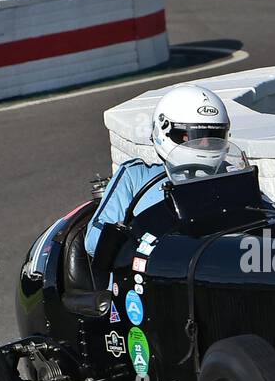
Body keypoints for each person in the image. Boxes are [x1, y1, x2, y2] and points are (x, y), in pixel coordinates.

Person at [85, 84, 232, 256]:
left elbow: (266, 218)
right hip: (145, 274)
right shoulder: (136, 176)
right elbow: (94, 239)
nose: (205, 144)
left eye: (214, 136)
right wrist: (139, 241)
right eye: (193, 136)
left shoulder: (231, 176)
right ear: (165, 131)